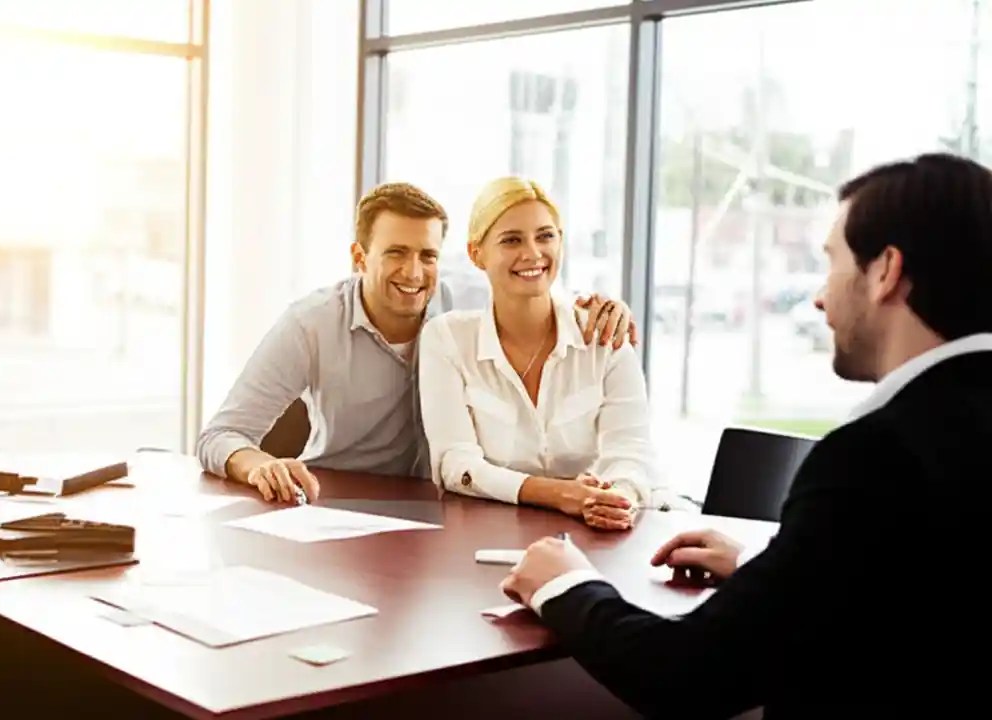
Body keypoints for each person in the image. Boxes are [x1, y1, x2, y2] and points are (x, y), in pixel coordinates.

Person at [499, 153, 989, 716]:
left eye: (832, 263)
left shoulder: (873, 457)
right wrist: (781, 571)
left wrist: (564, 585)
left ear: (885, 272)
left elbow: (690, 674)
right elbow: (915, 595)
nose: (819, 297)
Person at [195, 181, 638, 504]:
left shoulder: (460, 309)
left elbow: (525, 284)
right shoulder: (310, 324)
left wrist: (603, 309)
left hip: (446, 506)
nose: (414, 273)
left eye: (427, 256)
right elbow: (221, 434)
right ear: (359, 257)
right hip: (341, 502)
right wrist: (259, 465)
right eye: (395, 253)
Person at [418, 177, 654, 530]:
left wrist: (616, 499)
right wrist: (559, 495)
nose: (532, 253)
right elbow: (456, 465)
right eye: (511, 240)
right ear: (476, 253)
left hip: (604, 531)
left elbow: (631, 453)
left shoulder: (604, 336)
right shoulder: (448, 338)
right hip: (491, 532)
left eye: (545, 236)